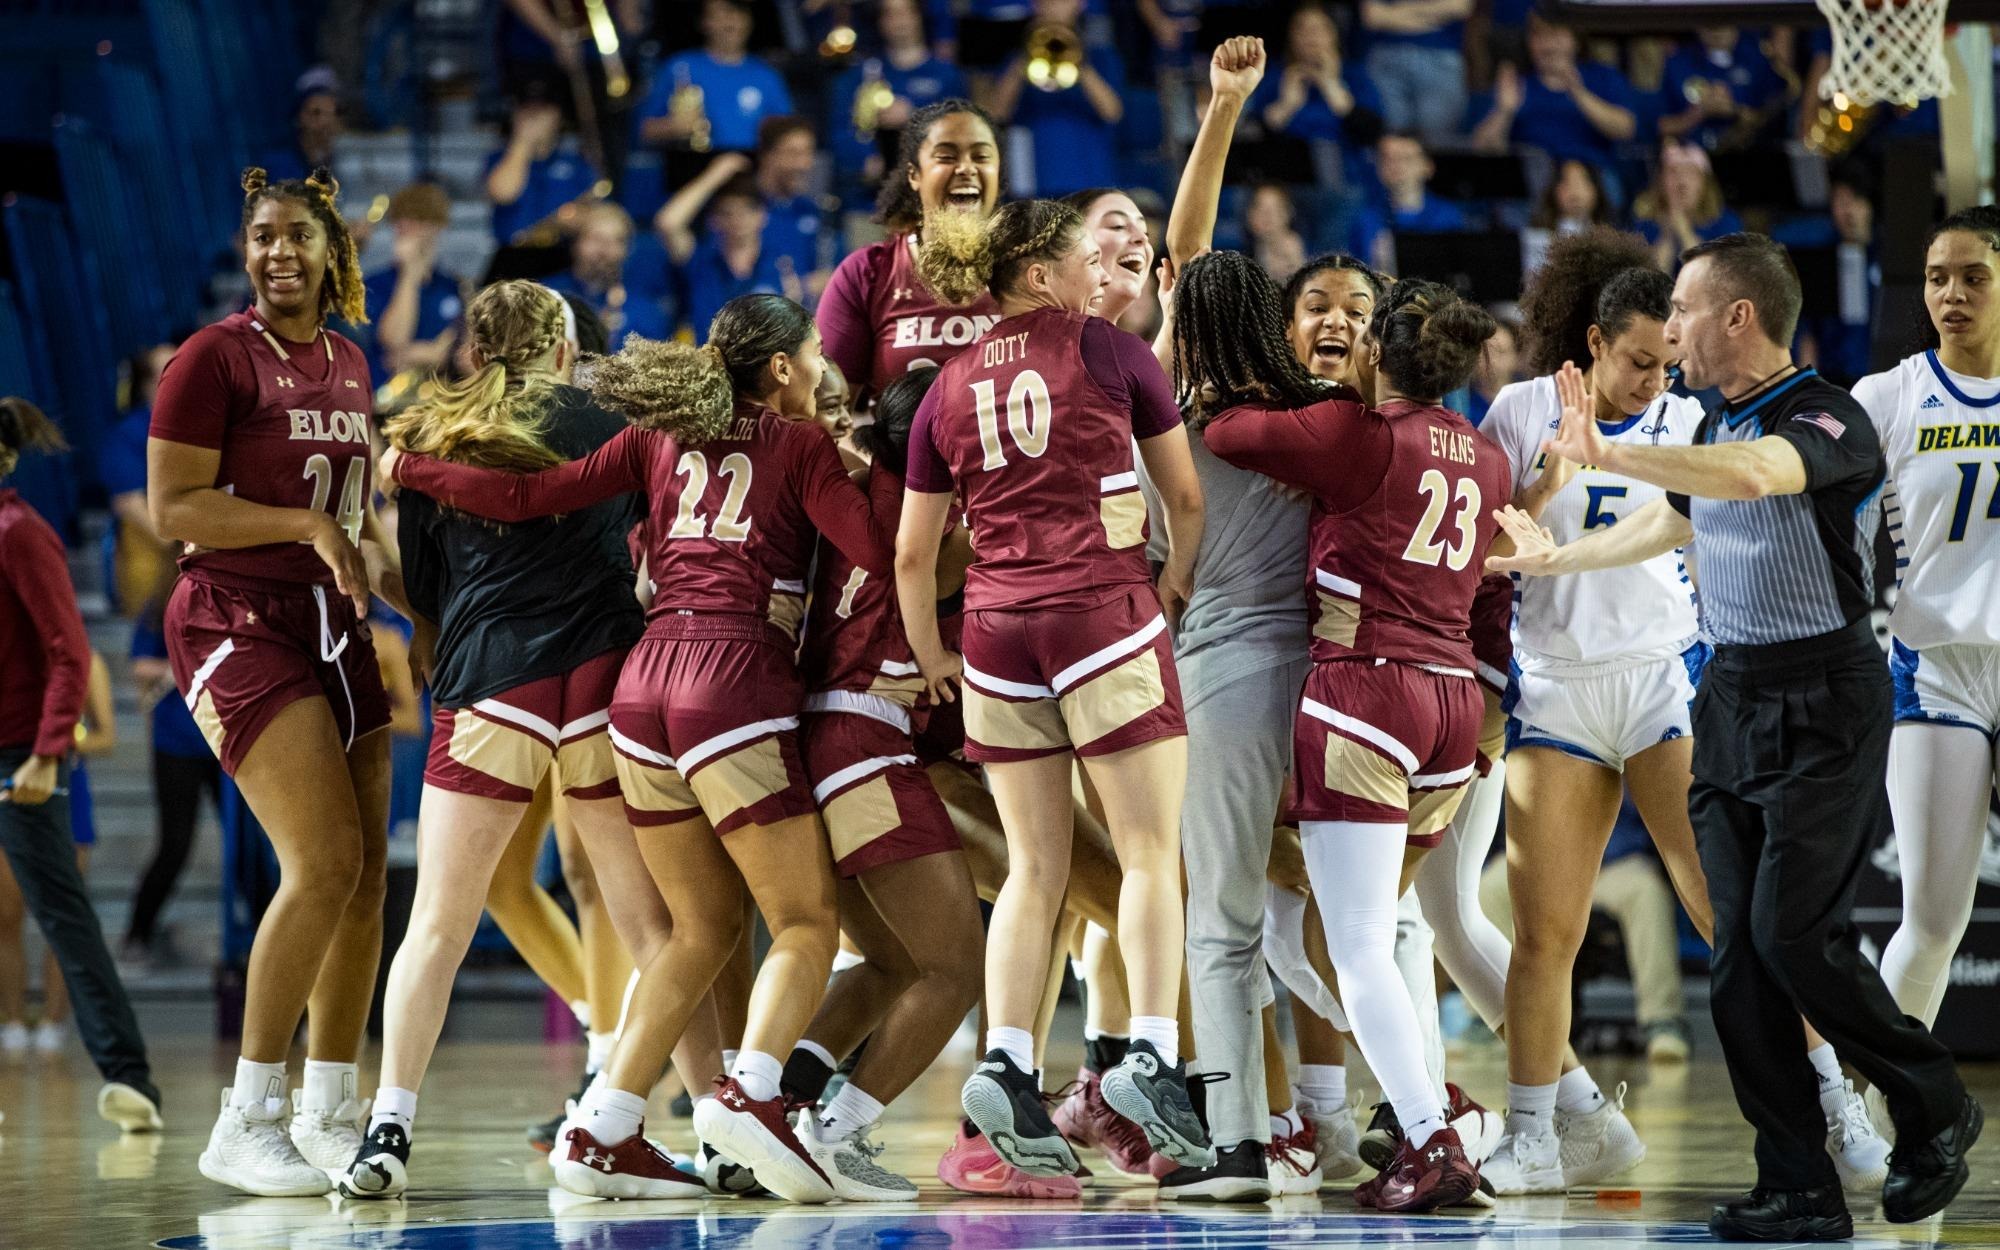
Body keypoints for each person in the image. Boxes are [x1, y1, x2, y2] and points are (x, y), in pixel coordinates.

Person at [1491, 232, 1977, 1239]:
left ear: (1736, 317)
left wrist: (1609, 448)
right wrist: (1557, 561)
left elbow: (1753, 479)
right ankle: (1794, 1178)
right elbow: (1674, 521)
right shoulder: (1705, 421)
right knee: (1738, 959)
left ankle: (1931, 1098)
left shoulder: (1822, 414)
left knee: (1789, 934)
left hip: (1824, 697)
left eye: (1681, 309)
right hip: (1727, 695)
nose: (1667, 329)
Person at [383, 293, 891, 1204]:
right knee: (807, 921)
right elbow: (876, 555)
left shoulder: (655, 436)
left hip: (641, 687)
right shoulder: (802, 444)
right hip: (724, 680)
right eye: (812, 356)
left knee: (693, 929)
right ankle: (750, 1096)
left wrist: (415, 470)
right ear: (779, 369)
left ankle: (605, 1122)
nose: (819, 370)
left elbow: (525, 497)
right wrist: (891, 484)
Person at [339, 281, 702, 1200]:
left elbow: (420, 590)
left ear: (476, 350)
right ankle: (715, 1125)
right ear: (566, 350)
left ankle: (387, 1132)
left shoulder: (430, 434)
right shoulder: (617, 419)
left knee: (437, 925)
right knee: (654, 926)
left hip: (490, 686)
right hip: (602, 688)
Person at [895, 198, 1209, 1177]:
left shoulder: (945, 386)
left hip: (993, 635)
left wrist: (930, 655)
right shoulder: (1114, 354)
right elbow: (1184, 498)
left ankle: (1007, 1057)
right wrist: (1171, 583)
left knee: (1032, 871)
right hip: (1101, 616)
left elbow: (913, 553)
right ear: (1039, 274)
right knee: (1150, 854)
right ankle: (1147, 1051)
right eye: (1081, 257)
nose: (1095, 270)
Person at [1187, 262, 1511, 1212]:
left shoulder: (1353, 433)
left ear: (1380, 349)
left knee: (1354, 938)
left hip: (1367, 689)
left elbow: (1220, 428)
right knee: (1339, 923)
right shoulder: (1484, 453)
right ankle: (1412, 1108)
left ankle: (1431, 1130)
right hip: (1456, 709)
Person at [1144, 35, 1379, 1201]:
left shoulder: (1178, 414)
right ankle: (1371, 1116)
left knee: (1225, 920)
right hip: (1338, 679)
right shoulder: (1318, 411)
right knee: (1349, 922)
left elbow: (1183, 254)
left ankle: (1237, 1141)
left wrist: (1217, 115)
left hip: (1229, 677)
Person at [149, 168, 395, 1196]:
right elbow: (174, 509)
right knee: (324, 855)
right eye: (261, 236)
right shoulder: (212, 356)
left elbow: (362, 516)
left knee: (368, 869)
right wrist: (306, 524)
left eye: (297, 235)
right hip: (234, 613)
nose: (277, 252)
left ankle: (329, 1108)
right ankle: (246, 1114)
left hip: (334, 620)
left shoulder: (348, 359)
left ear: (331, 250)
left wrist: (424, 606)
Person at [773, 365, 986, 1200]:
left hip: (822, 732)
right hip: (865, 736)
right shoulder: (929, 512)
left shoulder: (860, 488)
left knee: (892, 963)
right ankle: (838, 1132)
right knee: (955, 967)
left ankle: (771, 1108)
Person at [1855, 205, 2000, 1065]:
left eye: (1974, 276)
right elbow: (1831, 524)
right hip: (1937, 668)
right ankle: (1877, 1117)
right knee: (1933, 922)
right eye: (1938, 277)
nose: (1951, 293)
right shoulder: (1890, 395)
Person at [0, 397, 162, 1129]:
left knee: (62, 914)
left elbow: (69, 649)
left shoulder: (19, 532)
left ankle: (132, 1080)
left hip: (21, 758)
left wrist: (45, 752)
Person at [818, 99, 1005, 410]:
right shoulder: (866, 274)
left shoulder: (1029, 266)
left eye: (982, 156)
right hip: (899, 459)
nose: (966, 168)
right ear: (914, 175)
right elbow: (827, 417)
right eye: (946, 156)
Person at [0, 649, 114, 1055]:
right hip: (10, 784)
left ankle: (53, 1020)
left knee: (61, 917)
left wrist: (63, 738)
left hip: (65, 790)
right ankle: (11, 1020)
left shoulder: (87, 660)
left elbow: (106, 736)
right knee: (6, 915)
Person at [123, 577, 221, 967]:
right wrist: (183, 666)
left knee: (250, 847)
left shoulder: (229, 595)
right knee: (175, 844)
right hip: (176, 743)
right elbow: (140, 665)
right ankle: (137, 933)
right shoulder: (166, 600)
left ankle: (264, 934)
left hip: (224, 741)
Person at [829, 0, 970, 200]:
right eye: (890, 14)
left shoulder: (947, 76)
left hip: (929, 201)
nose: (899, 22)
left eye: (906, 13)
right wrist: (863, 160)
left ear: (919, 17)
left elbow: (961, 133)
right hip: (869, 202)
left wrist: (913, 116)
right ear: (879, 22)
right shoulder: (858, 77)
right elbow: (840, 129)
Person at [987, 0, 1126, 198]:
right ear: (1035, 7)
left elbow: (1112, 112)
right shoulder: (1017, 60)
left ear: (1080, 5)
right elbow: (997, 112)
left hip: (1090, 179)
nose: (1053, 6)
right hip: (1035, 181)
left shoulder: (1101, 56)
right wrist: (1024, 56)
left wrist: (1079, 61)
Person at [1470, 14, 1637, 173]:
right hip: (1534, 179)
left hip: (1591, 177)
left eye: (1555, 34)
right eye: (1538, 35)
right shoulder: (1516, 84)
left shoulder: (1602, 76)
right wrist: (1504, 111)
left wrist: (1578, 93)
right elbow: (1481, 150)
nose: (1547, 45)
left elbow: (1625, 129)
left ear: (1575, 39)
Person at [656, 158, 793, 340]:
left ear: (762, 215)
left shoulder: (781, 265)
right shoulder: (699, 261)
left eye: (746, 210)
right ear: (713, 220)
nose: (737, 220)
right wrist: (714, 176)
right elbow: (667, 223)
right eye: (727, 212)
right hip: (705, 361)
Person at [638, 0, 792, 159]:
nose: (730, 23)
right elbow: (644, 131)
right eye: (721, 14)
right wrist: (673, 127)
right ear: (704, 22)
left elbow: (787, 135)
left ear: (750, 21)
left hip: (750, 170)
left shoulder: (767, 75)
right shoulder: (680, 67)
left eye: (738, 14)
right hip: (692, 167)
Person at [362, 184, 465, 386]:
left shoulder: (451, 286)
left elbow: (461, 347)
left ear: (436, 227)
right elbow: (394, 341)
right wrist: (409, 275)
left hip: (438, 393)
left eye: (418, 221)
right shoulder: (375, 284)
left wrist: (432, 354)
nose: (406, 229)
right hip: (385, 395)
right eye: (400, 222)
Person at [1257, 5, 1380, 158]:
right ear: (1291, 36)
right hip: (1288, 164)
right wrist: (1287, 104)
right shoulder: (1276, 76)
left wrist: (1331, 86)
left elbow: (1372, 133)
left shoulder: (1355, 74)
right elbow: (1256, 132)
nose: (1311, 36)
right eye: (1302, 29)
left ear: (1334, 34)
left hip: (1346, 165)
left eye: (1319, 29)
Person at [543, 202, 671, 350]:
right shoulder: (548, 296)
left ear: (627, 250)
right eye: (596, 238)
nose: (604, 250)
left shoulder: (647, 311)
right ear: (576, 243)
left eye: (616, 241)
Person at [1349, 132, 1469, 275]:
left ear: (1428, 166)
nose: (1396, 165)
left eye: (1406, 158)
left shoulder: (1449, 217)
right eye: (1387, 158)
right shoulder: (1365, 220)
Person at [485, 101, 598, 247]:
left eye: (543, 109)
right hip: (512, 251)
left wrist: (572, 219)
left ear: (559, 116)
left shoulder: (576, 161)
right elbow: (502, 193)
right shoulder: (498, 157)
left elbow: (591, 209)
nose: (533, 118)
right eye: (525, 109)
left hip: (563, 249)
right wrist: (523, 141)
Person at [1358, 0, 1473, 143]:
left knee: (1439, 141)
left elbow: (1459, 7)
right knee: (1390, 141)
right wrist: (1431, 17)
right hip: (1386, 57)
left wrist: (1395, 13)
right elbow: (1373, 17)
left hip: (1441, 57)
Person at [1658, 26, 1788, 151]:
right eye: (1710, 24)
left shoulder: (1758, 59)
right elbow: (1657, 126)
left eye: (1724, 21)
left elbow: (1774, 113)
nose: (1717, 30)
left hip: (1750, 154)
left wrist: (1735, 110)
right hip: (1691, 158)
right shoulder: (1676, 63)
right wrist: (1699, 112)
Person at [753, 117, 841, 297]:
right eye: (793, 154)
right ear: (767, 156)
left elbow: (843, 272)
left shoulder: (818, 213)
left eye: (808, 153)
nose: (804, 164)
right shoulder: (742, 213)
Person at [1634, 144, 1743, 276]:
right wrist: (1667, 237)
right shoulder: (1644, 225)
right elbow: (1650, 281)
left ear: (1705, 183)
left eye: (1690, 173)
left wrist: (1684, 231)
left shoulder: (1726, 223)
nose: (1681, 181)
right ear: (1660, 183)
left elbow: (1710, 278)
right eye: (1673, 172)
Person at [1521, 160, 1612, 277]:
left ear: (1596, 190)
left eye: (1582, 181)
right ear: (1554, 189)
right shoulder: (1535, 238)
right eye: (1567, 182)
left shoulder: (1610, 240)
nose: (1575, 191)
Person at [1244, 185, 1308, 286]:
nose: (1267, 216)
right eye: (1260, 208)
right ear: (1249, 215)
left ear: (1287, 214)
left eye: (1275, 209)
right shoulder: (1251, 253)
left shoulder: (1290, 246)